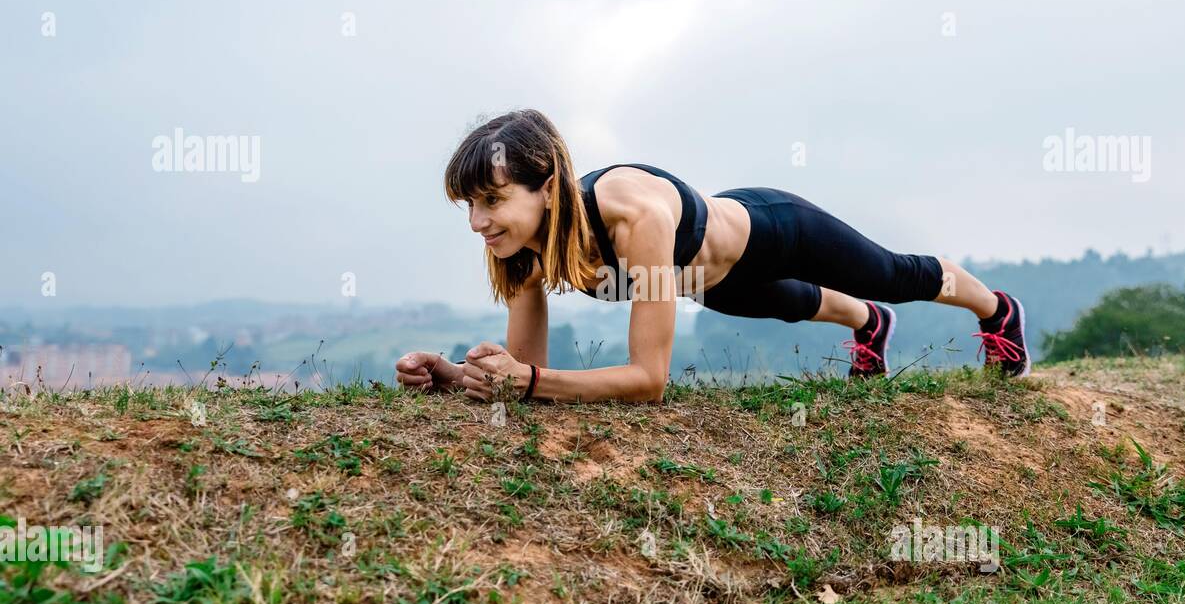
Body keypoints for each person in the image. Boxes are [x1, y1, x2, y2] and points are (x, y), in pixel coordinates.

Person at [396, 109, 1029, 403]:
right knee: (794, 307)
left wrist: (529, 381)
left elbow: (648, 383)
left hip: (777, 230)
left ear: (548, 186)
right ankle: (870, 326)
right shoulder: (521, 253)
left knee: (893, 275)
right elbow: (523, 373)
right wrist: (456, 374)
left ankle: (996, 309)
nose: (477, 222)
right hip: (711, 282)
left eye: (492, 200)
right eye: (468, 206)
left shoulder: (628, 213)